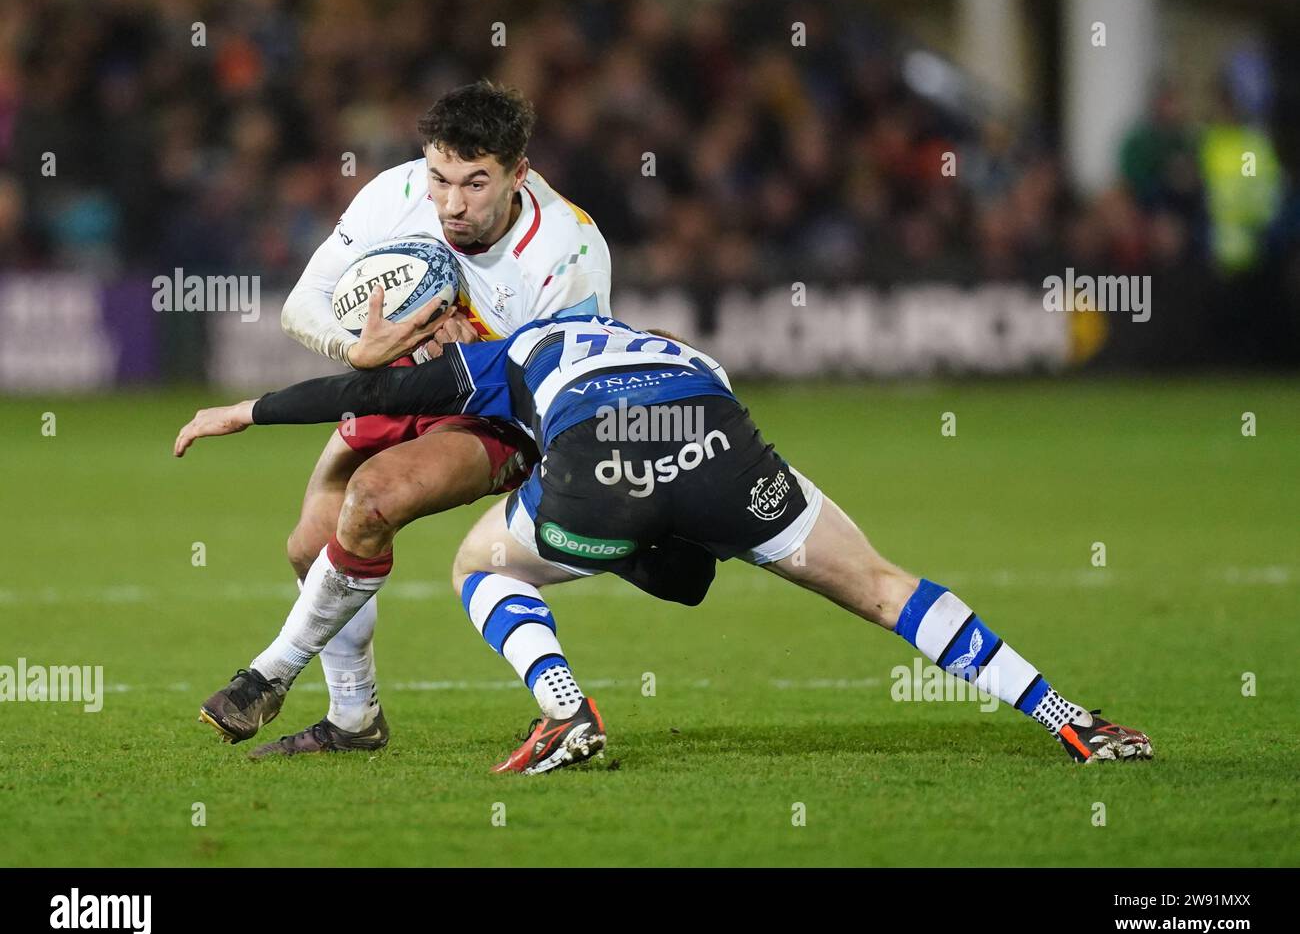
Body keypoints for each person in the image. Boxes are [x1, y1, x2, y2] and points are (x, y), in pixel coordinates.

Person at [176, 310, 1155, 773]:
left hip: (599, 466)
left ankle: (564, 707)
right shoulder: (673, 340)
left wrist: (246, 410)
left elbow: (376, 391)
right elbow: (702, 410)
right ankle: (1068, 714)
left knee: (479, 561)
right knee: (881, 583)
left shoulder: (510, 353)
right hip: (719, 442)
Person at [198, 81, 615, 758]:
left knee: (372, 500)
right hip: (402, 382)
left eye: (476, 183)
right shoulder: (396, 196)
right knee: (311, 545)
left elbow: (558, 385)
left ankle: (268, 673)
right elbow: (304, 301)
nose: (452, 203)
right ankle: (354, 718)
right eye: (441, 178)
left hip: (500, 409)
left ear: (520, 173)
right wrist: (355, 349)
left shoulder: (568, 252)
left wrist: (476, 354)